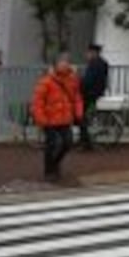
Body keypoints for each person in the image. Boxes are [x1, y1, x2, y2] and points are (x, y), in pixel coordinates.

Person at [31, 53, 83, 184]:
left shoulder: (73, 80)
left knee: (68, 143)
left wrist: (78, 112)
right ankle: (49, 170)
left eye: (66, 62)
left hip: (65, 118)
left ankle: (55, 163)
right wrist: (41, 119)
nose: (64, 64)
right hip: (49, 120)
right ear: (55, 65)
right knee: (52, 144)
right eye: (61, 62)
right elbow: (37, 102)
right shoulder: (46, 81)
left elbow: (77, 97)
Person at [78, 40, 109, 150]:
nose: (87, 55)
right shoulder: (103, 63)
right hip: (97, 92)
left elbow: (88, 80)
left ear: (93, 52)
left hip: (90, 93)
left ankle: (85, 141)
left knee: (80, 115)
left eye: (88, 52)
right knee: (84, 115)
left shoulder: (94, 64)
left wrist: (80, 85)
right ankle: (84, 140)